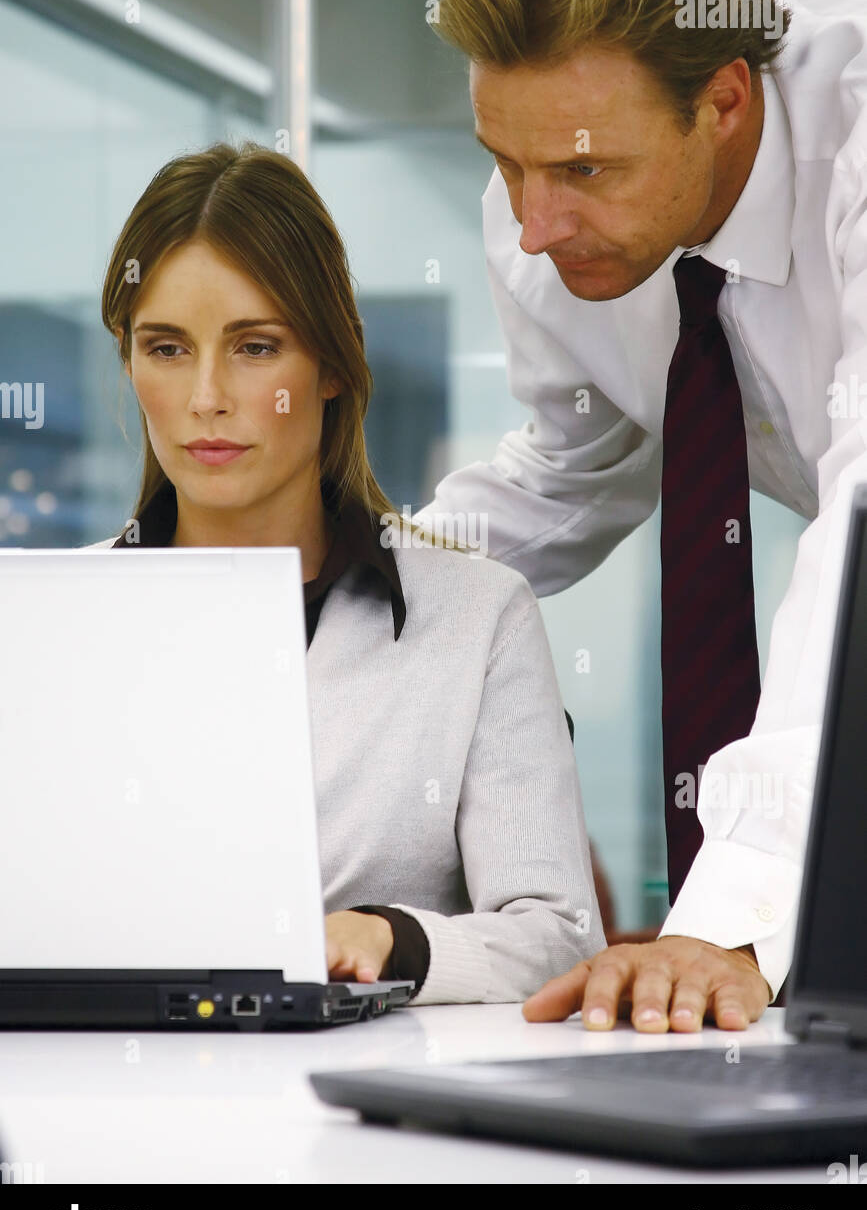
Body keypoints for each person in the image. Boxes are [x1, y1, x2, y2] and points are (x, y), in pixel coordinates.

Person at [413, 0, 867, 1029]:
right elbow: (578, 466)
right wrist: (341, 565)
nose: (530, 224)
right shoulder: (543, 215)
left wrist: (735, 902)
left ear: (724, 99)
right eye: (504, 162)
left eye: (584, 172)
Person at [81, 140, 605, 1005]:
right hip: (88, 1105)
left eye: (254, 348)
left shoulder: (478, 616)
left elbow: (557, 937)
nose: (206, 395)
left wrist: (390, 936)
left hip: (366, 1120)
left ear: (329, 365)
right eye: (166, 348)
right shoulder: (38, 626)